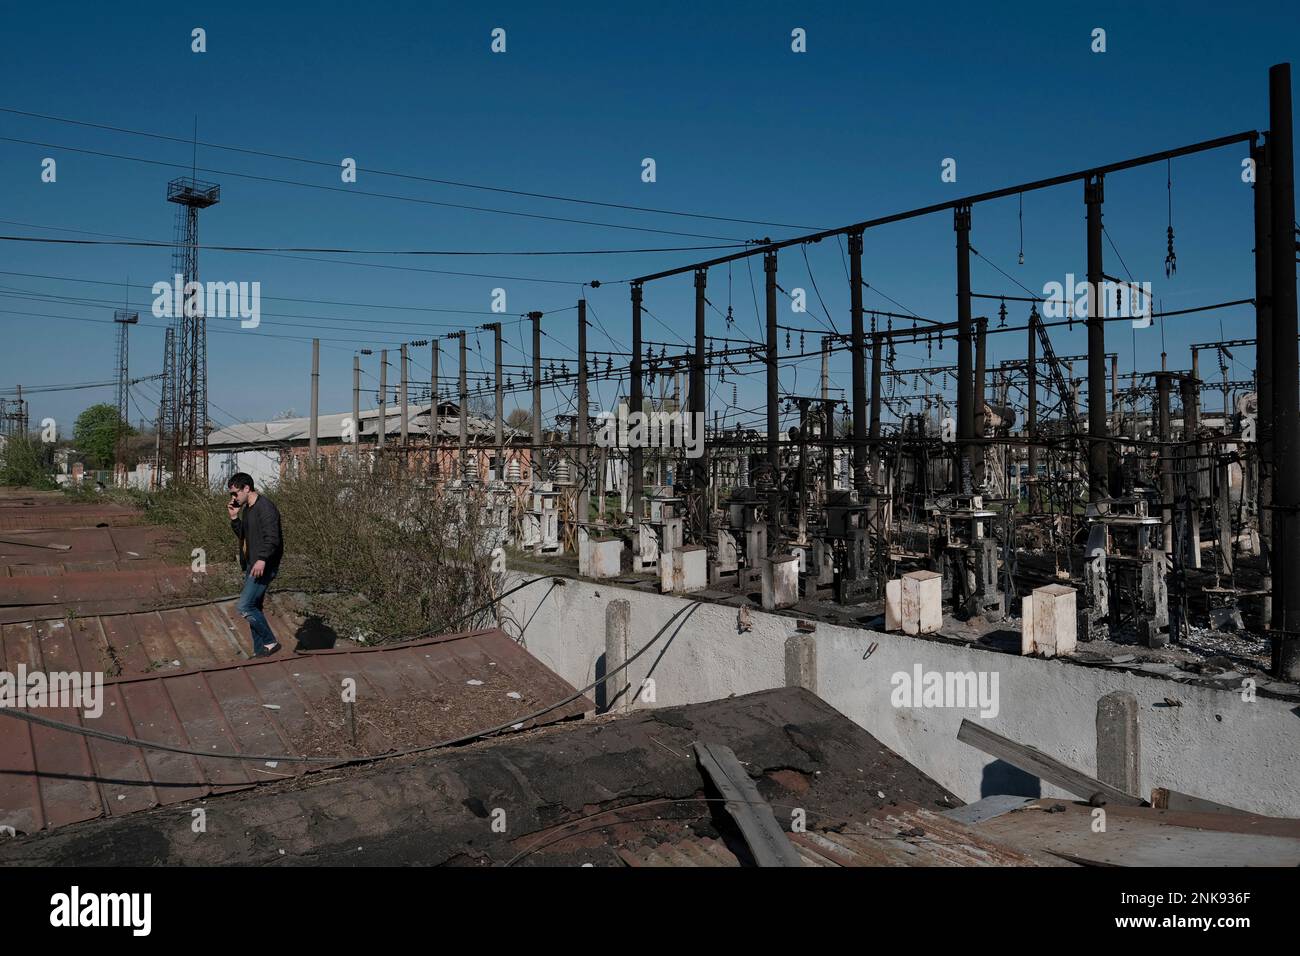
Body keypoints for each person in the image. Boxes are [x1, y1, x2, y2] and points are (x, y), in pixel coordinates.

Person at [226, 473, 285, 657]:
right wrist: (235, 519)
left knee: (244, 606)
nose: (233, 499)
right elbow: (246, 538)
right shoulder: (248, 508)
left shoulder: (265, 508)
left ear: (246, 488)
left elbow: (272, 539)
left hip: (263, 566)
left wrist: (262, 559)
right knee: (254, 607)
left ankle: (270, 641)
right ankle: (260, 652)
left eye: (235, 494)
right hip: (253, 565)